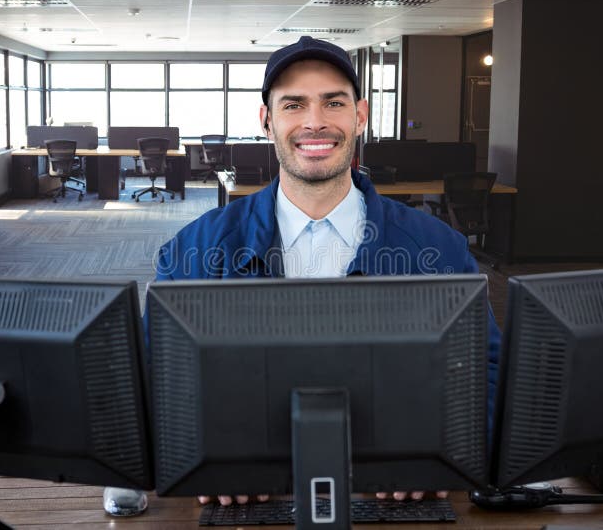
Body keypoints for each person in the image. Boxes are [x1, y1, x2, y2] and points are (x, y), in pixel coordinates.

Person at [151, 35, 500, 506]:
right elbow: (156, 377)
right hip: (246, 497)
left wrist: (442, 449)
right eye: (293, 105)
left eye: (332, 103)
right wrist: (202, 456)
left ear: (359, 117)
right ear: (267, 121)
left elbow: (487, 371)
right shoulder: (194, 250)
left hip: (392, 495)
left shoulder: (437, 248)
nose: (315, 122)